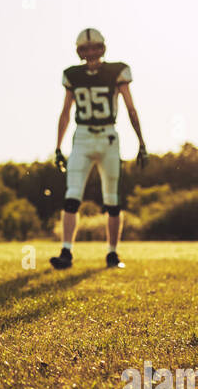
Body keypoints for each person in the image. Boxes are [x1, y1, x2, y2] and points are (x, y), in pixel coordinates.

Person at [50, 28, 147, 270]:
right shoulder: (72, 75)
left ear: (103, 48)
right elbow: (65, 112)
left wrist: (141, 142)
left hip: (108, 137)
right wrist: (58, 146)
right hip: (82, 136)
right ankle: (66, 252)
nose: (91, 52)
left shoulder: (117, 71)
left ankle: (112, 254)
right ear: (79, 51)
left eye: (95, 48)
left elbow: (130, 109)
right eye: (86, 48)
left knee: (112, 199)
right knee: (72, 196)